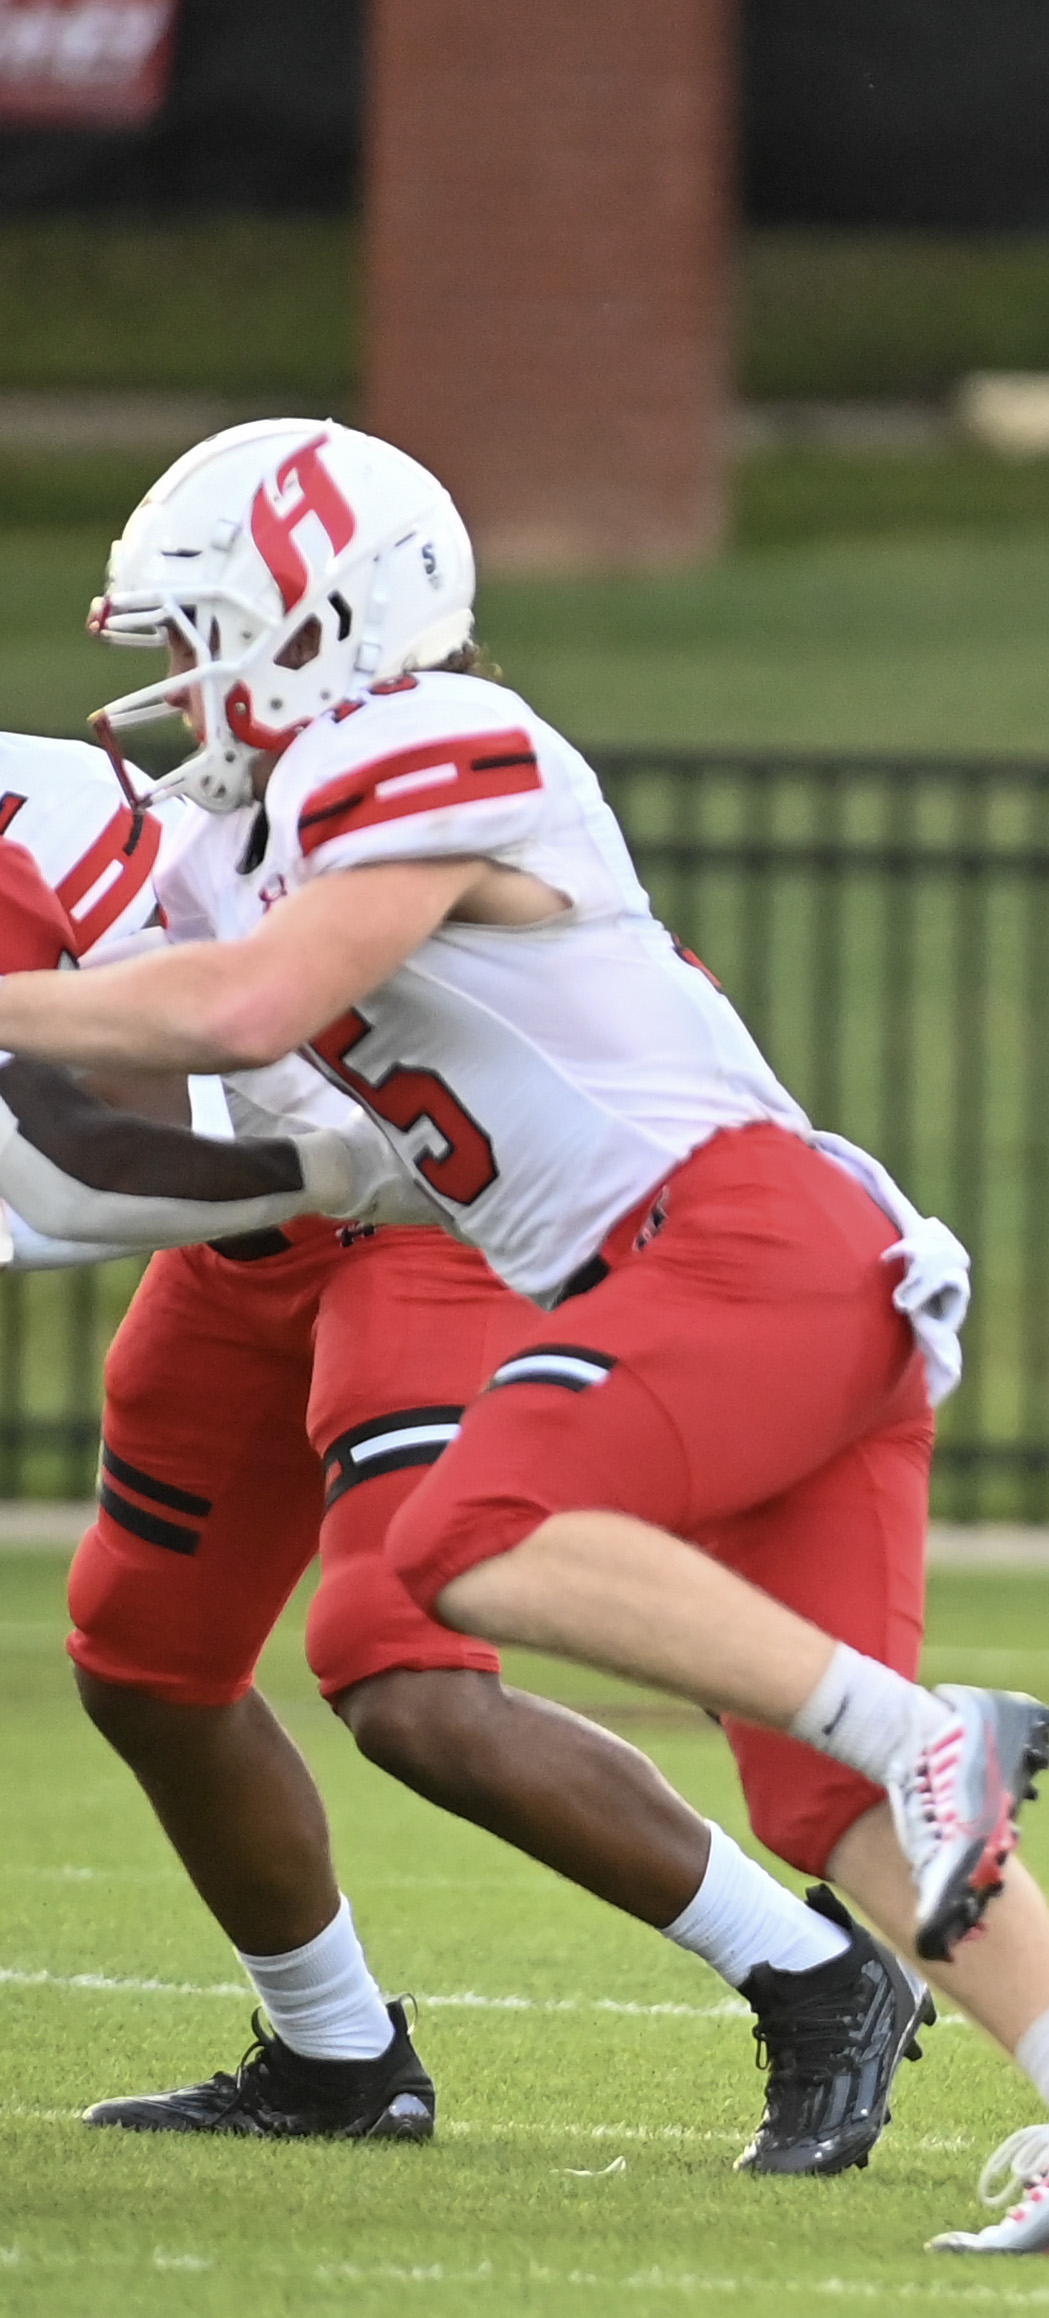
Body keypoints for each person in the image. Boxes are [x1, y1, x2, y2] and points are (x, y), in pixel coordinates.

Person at [7, 420, 1049, 2252]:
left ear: (319, 617)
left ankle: (930, 1727)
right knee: (820, 1796)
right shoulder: (280, 812)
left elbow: (252, 998)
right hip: (743, 1278)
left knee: (468, 1540)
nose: (181, 686)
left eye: (201, 634)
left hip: (734, 1242)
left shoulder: (423, 736)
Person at [0, 728, 931, 2175]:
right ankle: (337, 2052)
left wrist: (328, 1169)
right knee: (143, 1661)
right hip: (236, 1239)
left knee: (404, 1672)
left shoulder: (53, 817)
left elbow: (89, 1156)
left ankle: (814, 1971)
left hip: (414, 1216)